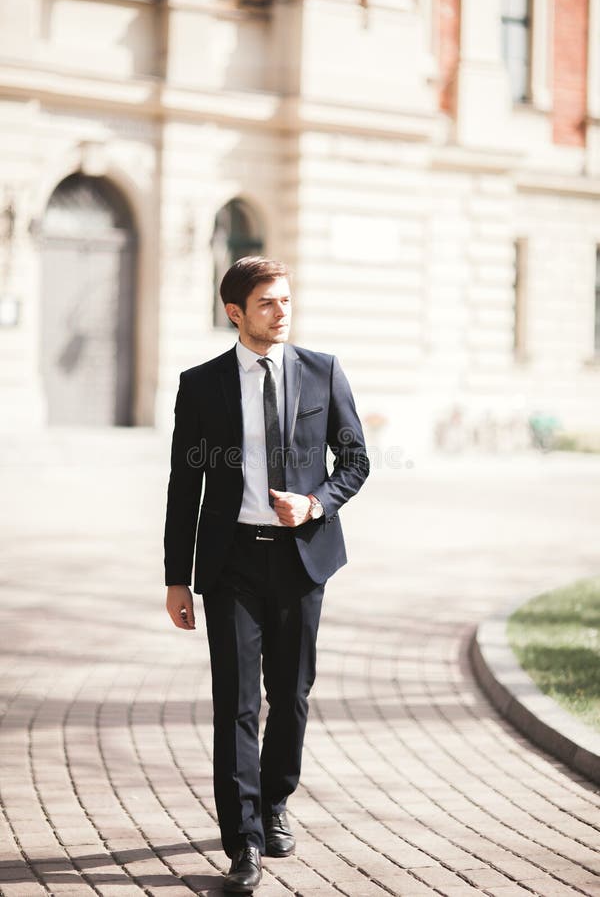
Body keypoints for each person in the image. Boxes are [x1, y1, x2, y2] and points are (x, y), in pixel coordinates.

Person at [164, 256, 369, 893]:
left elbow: (356, 459)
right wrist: (177, 576)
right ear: (235, 313)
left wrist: (316, 503)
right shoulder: (201, 385)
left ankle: (276, 799)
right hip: (231, 564)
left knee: (292, 694)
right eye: (267, 304)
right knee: (237, 703)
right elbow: (184, 486)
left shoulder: (322, 371)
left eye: (286, 301)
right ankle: (244, 838)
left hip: (301, 557)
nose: (282, 313)